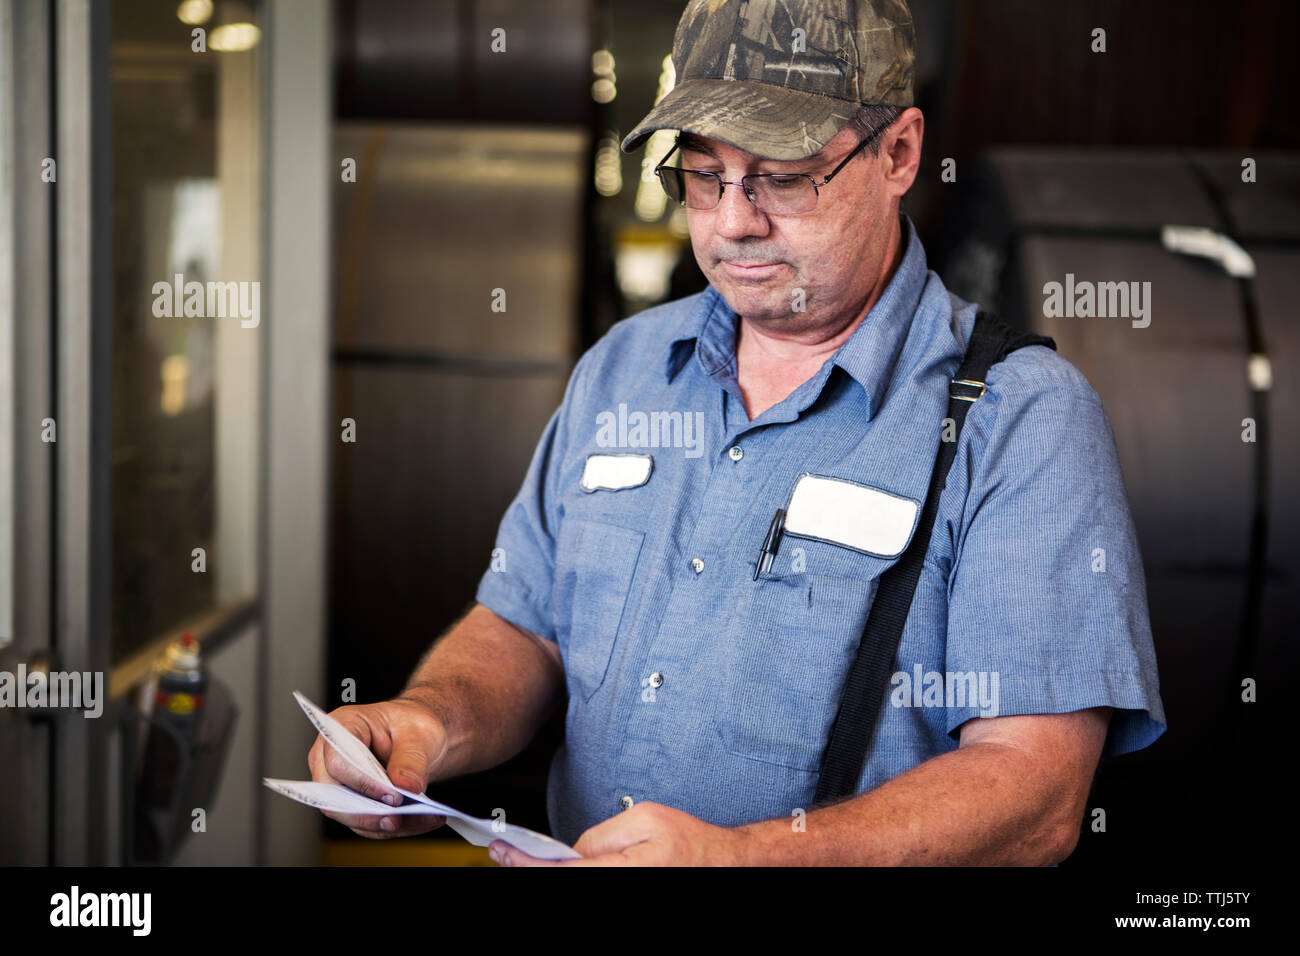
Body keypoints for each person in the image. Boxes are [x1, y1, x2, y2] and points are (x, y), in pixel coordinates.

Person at [307, 0, 1165, 866]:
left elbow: (1035, 793)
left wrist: (744, 858)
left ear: (899, 153)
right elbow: (527, 629)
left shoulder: (1020, 418)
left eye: (784, 176)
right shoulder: (627, 366)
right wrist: (429, 722)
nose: (732, 221)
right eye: (704, 173)